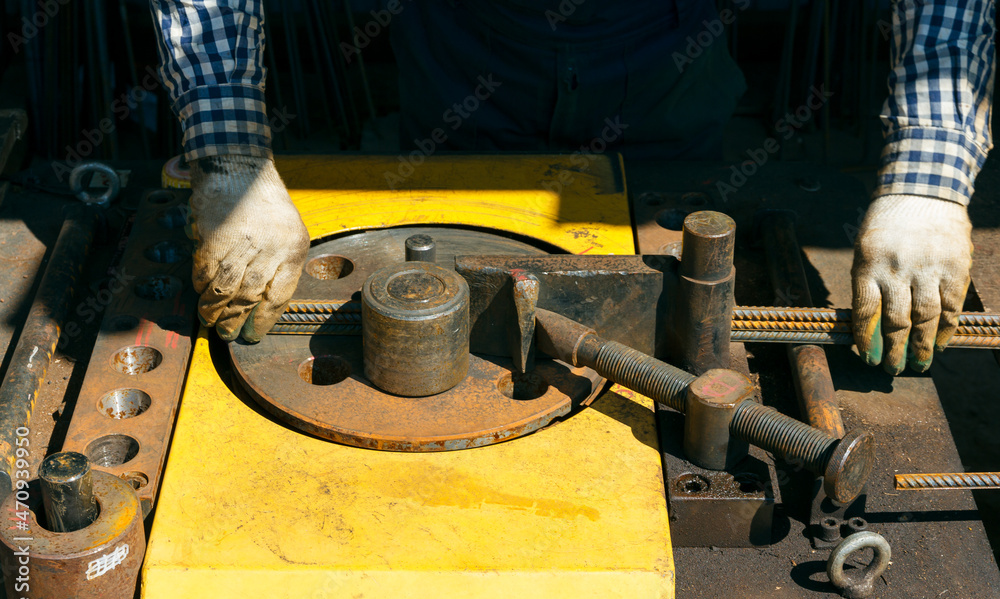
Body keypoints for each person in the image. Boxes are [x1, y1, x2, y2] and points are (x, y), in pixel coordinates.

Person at [150, 1, 993, 376]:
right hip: (467, 41)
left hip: (664, 36)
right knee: (453, 244)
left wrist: (929, 170)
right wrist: (231, 156)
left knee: (663, 237)